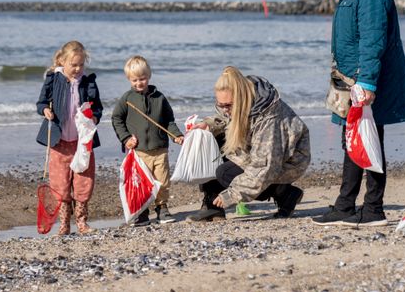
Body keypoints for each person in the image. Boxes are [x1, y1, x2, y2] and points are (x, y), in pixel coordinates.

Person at [312, 0, 405, 227]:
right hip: (352, 79)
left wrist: (366, 82)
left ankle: (373, 208)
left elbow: (372, 38)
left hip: (365, 80)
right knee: (353, 139)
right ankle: (346, 205)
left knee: (369, 140)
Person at [190, 66, 309, 221]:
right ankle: (212, 206)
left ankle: (284, 192)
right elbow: (226, 119)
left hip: (287, 161)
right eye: (221, 105)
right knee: (208, 139)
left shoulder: (269, 118)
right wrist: (209, 126)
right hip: (256, 150)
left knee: (225, 173)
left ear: (241, 98)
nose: (225, 110)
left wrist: (231, 195)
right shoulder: (241, 100)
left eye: (228, 105)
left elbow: (264, 168)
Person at [36, 40, 103, 235]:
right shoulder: (53, 79)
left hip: (82, 142)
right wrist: (45, 110)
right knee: (60, 185)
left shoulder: (88, 82)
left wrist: (95, 117)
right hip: (59, 142)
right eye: (73, 65)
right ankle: (64, 224)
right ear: (62, 61)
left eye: (81, 64)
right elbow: (41, 103)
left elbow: (98, 107)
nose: (78, 69)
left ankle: (82, 222)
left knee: (83, 182)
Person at [111, 56, 184, 226]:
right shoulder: (127, 98)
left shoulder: (159, 98)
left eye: (142, 79)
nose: (139, 83)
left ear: (149, 76)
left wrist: (176, 135)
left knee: (163, 181)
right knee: (142, 183)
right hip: (140, 151)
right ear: (129, 79)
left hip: (160, 149)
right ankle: (142, 211)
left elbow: (169, 120)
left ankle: (162, 208)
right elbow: (117, 119)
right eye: (134, 80)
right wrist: (126, 138)